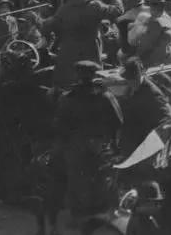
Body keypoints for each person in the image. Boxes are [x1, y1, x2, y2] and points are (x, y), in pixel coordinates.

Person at [53, 60, 124, 222]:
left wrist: (66, 143)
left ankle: (79, 214)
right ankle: (102, 213)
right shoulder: (105, 97)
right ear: (94, 75)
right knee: (101, 177)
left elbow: (60, 125)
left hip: (75, 144)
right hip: (99, 143)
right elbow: (118, 121)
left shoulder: (68, 98)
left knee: (77, 178)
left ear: (77, 75)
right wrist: (111, 142)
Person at [43, 0, 121, 88]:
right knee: (94, 78)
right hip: (91, 48)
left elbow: (49, 27)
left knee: (69, 82)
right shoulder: (96, 6)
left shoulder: (65, 9)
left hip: (69, 50)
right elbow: (117, 11)